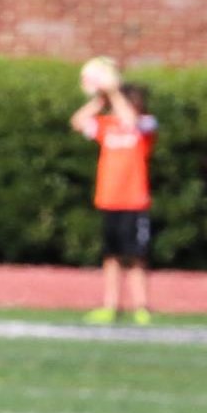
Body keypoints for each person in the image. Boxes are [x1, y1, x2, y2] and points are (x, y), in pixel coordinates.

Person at [70, 77, 158, 325]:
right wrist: (100, 100)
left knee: (136, 256)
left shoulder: (145, 125)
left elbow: (130, 120)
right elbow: (77, 122)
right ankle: (111, 305)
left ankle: (141, 306)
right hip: (110, 200)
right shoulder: (106, 125)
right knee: (111, 256)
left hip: (135, 201)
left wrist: (115, 93)